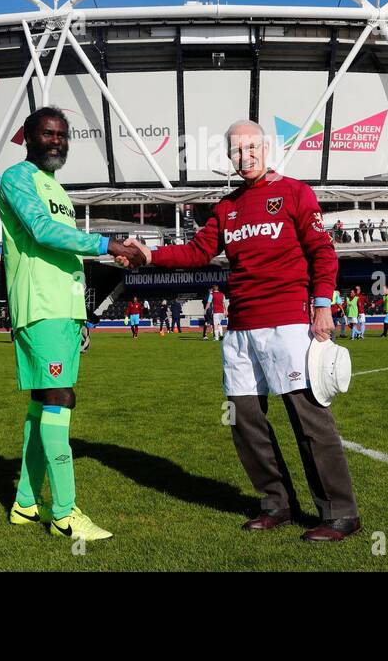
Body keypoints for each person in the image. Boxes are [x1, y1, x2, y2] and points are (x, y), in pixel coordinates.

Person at [122, 118, 360, 542]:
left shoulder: (295, 193)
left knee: (309, 420)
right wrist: (150, 255)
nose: (245, 156)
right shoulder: (226, 208)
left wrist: (323, 304)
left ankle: (340, 513)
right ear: (229, 157)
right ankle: (276, 503)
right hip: (240, 329)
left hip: (288, 323)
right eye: (236, 150)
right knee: (245, 420)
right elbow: (197, 252)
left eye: (251, 148)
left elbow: (322, 251)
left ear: (266, 148)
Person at [2, 105, 144, 542]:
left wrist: (83, 311)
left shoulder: (56, 187)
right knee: (61, 398)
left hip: (63, 310)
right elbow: (43, 232)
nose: (57, 141)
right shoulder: (17, 177)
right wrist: (107, 242)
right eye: (48, 134)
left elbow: (64, 249)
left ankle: (26, 502)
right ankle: (64, 513)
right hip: (40, 307)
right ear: (28, 136)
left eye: (63, 135)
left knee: (43, 402)